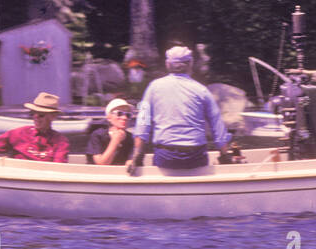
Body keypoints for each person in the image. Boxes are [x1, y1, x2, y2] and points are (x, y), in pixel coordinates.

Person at [127, 46, 231, 174]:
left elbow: (142, 123)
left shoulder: (153, 87)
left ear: (167, 64)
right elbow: (217, 125)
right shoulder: (202, 90)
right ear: (190, 64)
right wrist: (225, 156)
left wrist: (137, 156)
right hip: (196, 155)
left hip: (166, 156)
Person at [0, 91, 70, 163]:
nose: (36, 117)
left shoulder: (61, 141)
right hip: (18, 175)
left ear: (52, 117)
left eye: (41, 115)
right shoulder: (18, 133)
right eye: (33, 113)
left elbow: (59, 166)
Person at [86, 98, 135, 165]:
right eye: (119, 113)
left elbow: (130, 164)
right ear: (109, 118)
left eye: (128, 115)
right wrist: (115, 141)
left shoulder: (132, 138)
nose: (124, 118)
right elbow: (101, 164)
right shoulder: (98, 135)